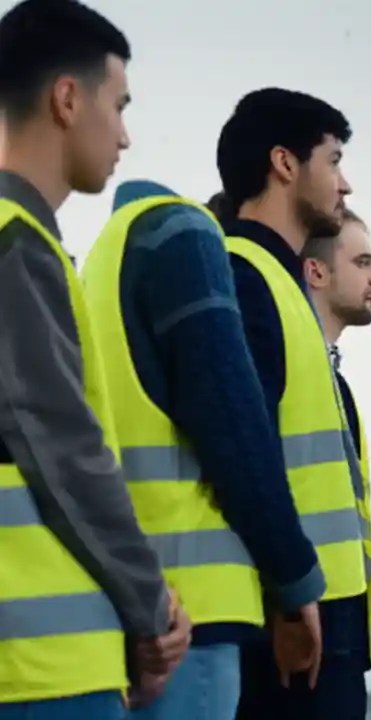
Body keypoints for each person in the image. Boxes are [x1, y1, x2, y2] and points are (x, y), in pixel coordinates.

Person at [79, 174, 332, 720]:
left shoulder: (100, 262)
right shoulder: (180, 234)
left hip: (128, 601)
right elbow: (232, 424)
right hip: (195, 610)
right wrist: (294, 583)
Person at [0, 1, 190, 717]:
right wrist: (152, 608)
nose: (126, 135)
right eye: (120, 105)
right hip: (42, 670)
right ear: (67, 99)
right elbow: (63, 449)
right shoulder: (15, 244)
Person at [216, 88, 369, 720]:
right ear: (284, 163)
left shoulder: (277, 281)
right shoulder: (244, 275)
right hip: (294, 619)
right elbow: (242, 449)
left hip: (320, 608)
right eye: (333, 161)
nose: (345, 184)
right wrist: (287, 592)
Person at [299, 209, 371, 670]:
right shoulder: (300, 373)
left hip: (339, 617)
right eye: (363, 262)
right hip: (308, 619)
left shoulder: (333, 382)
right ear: (316, 272)